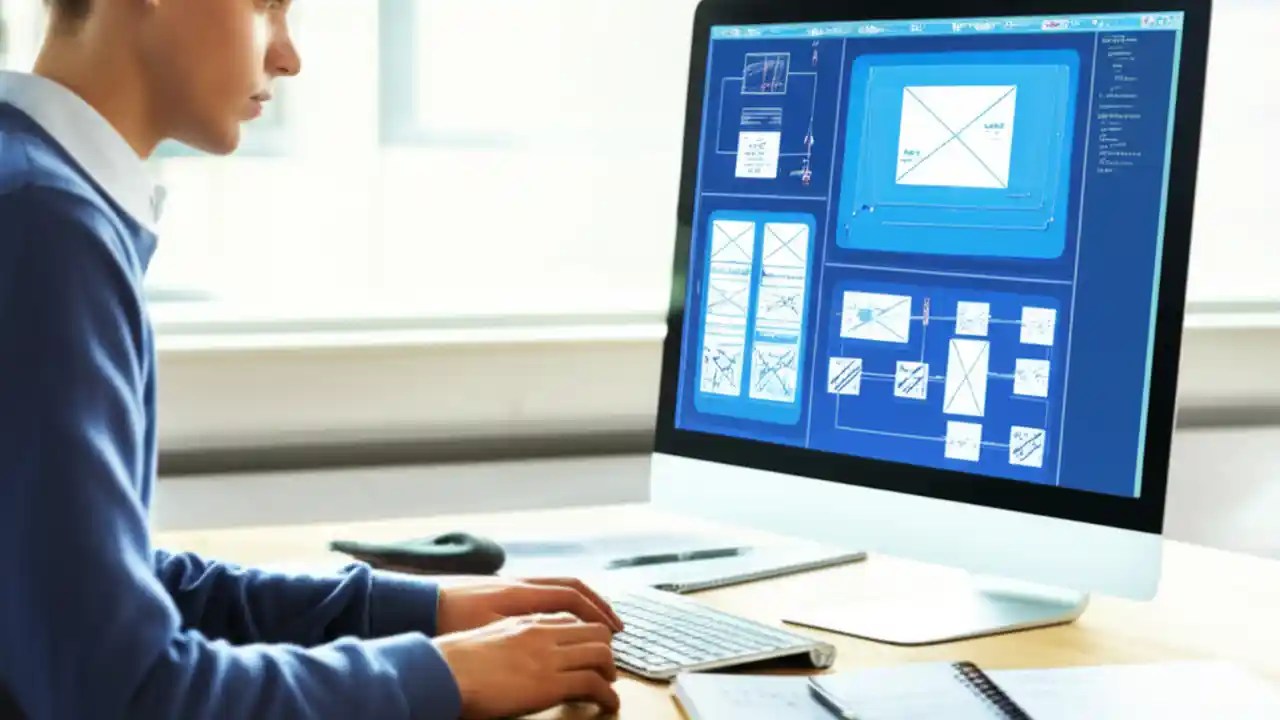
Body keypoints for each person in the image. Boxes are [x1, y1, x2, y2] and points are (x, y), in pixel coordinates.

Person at [0, 1, 623, 718]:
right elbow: (125, 693)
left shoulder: (37, 193)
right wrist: (444, 678)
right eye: (268, 6)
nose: (287, 55)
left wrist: (421, 612)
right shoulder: (43, 229)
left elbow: (95, 592)